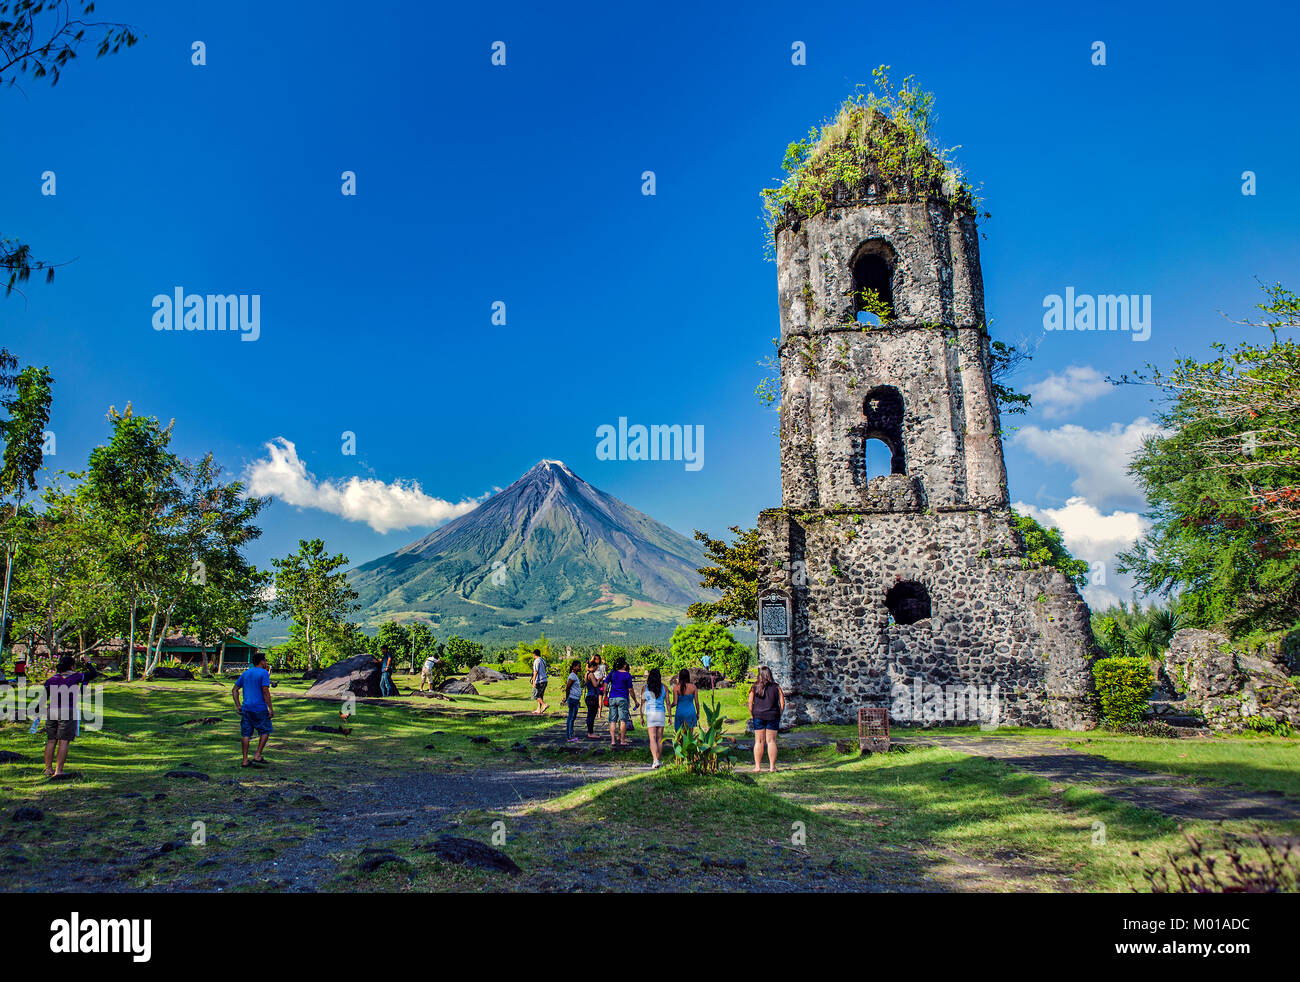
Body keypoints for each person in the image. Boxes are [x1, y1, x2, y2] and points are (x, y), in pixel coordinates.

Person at [43, 655, 85, 779]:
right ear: (72, 666)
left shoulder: (51, 679)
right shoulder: (75, 677)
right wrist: (88, 663)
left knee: (51, 740)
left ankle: (48, 769)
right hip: (67, 711)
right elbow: (93, 674)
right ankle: (59, 770)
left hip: (52, 711)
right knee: (64, 741)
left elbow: (44, 698)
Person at [233, 651, 274, 768]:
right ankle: (258, 754)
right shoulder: (264, 673)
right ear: (262, 662)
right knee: (265, 731)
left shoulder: (246, 673)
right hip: (259, 708)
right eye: (265, 660)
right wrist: (270, 708)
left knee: (246, 734)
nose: (266, 662)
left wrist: (238, 706)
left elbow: (234, 690)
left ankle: (245, 760)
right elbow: (265, 691)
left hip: (246, 707)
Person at [748, 665, 786, 773]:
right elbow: (782, 703)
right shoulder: (776, 687)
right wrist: (780, 713)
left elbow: (750, 703)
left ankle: (757, 766)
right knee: (771, 741)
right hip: (773, 715)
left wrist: (752, 714)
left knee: (759, 741)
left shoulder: (754, 687)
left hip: (758, 715)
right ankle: (772, 767)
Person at [639, 668, 669, 768]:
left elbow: (642, 704)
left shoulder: (645, 688)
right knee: (660, 738)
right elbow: (668, 703)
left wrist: (641, 717)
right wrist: (670, 716)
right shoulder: (664, 687)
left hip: (650, 713)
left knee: (652, 738)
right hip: (660, 713)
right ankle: (658, 760)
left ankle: (655, 760)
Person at [606, 656, 638, 748]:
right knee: (623, 720)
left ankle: (613, 741)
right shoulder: (627, 675)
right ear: (624, 665)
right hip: (622, 698)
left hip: (612, 698)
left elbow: (605, 683)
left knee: (612, 721)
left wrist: (605, 695)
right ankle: (622, 740)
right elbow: (630, 689)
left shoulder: (613, 673)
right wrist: (635, 700)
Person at [672, 668, 699, 733]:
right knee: (689, 736)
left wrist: (669, 706)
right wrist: (698, 713)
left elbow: (675, 702)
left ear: (680, 677)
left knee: (679, 735)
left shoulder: (676, 688)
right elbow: (697, 702)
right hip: (690, 712)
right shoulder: (693, 687)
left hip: (680, 712)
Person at [583, 657, 603, 739]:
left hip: (589, 696)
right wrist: (599, 680)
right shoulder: (591, 674)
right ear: (593, 667)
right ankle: (590, 733)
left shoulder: (586, 674)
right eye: (596, 668)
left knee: (590, 714)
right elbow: (595, 685)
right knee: (591, 715)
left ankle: (590, 732)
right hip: (592, 697)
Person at [563, 659, 583, 742]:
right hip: (572, 699)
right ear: (574, 667)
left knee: (573, 717)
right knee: (571, 717)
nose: (580, 668)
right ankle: (569, 736)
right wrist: (567, 697)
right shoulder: (572, 676)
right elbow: (568, 687)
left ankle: (571, 734)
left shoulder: (575, 676)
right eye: (578, 666)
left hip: (575, 699)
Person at [530, 648, 549, 714]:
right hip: (544, 680)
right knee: (540, 695)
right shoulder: (543, 660)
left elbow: (536, 671)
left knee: (535, 695)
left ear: (534, 654)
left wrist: (533, 681)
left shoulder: (536, 661)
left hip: (539, 681)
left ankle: (544, 704)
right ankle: (538, 709)